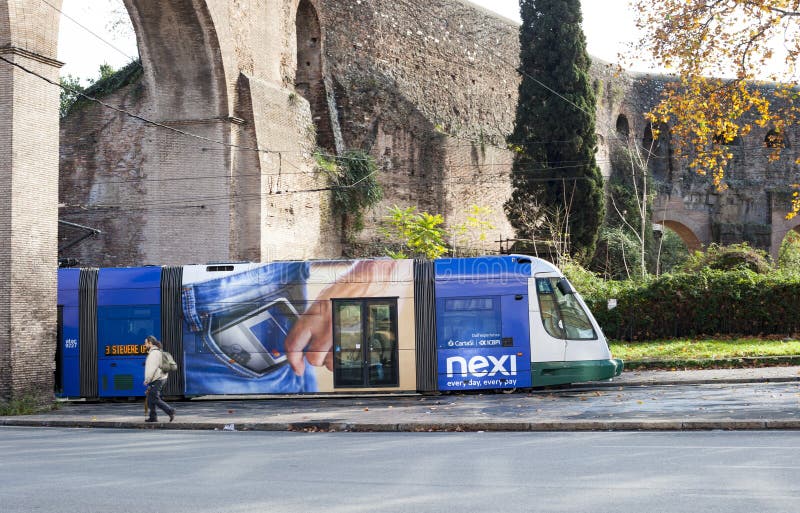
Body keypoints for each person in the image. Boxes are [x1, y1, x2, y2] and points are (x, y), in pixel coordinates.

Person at [143, 335, 176, 423]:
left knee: (154, 398)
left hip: (157, 379)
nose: (144, 344)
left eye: (145, 343)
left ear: (150, 343)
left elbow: (151, 369)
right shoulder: (157, 352)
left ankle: (170, 410)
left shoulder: (153, 354)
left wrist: (147, 380)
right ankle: (153, 417)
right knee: (150, 398)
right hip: (160, 378)